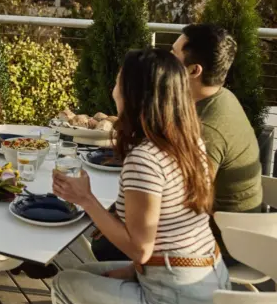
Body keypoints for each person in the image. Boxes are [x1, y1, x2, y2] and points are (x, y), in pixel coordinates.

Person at [51, 49, 228, 304]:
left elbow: (139, 248)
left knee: (63, 287)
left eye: (119, 82)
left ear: (135, 94)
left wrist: (86, 199)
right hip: (212, 283)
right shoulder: (190, 142)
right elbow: (168, 234)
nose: (113, 89)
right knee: (81, 274)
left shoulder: (144, 158)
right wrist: (133, 271)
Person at [92, 24, 263, 265]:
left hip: (220, 244)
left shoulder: (205, 128)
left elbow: (184, 201)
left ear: (193, 70)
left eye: (174, 53)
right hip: (233, 232)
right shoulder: (219, 97)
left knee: (105, 242)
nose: (167, 58)